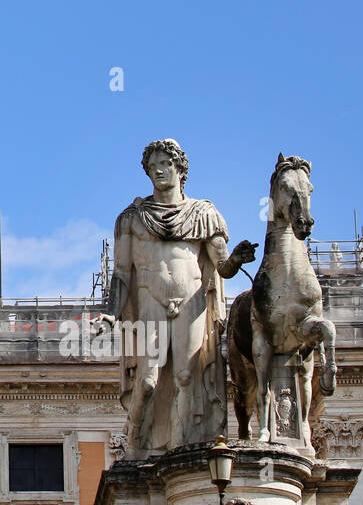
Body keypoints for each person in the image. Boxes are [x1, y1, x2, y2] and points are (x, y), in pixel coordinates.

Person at [108, 139, 257, 456]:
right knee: (147, 381)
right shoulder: (132, 218)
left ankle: (180, 441)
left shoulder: (204, 214)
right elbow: (121, 273)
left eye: (165, 164)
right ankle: (136, 436)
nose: (159, 171)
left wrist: (236, 260)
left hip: (192, 299)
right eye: (152, 167)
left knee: (188, 375)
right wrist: (112, 313)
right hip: (150, 300)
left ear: (180, 169)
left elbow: (221, 266)